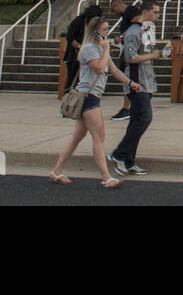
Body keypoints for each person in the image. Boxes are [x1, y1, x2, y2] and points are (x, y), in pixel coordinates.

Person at [50, 16, 142, 188]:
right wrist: (106, 49)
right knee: (99, 137)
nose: (108, 33)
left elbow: (113, 70)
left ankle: (57, 170)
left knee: (77, 137)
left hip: (92, 96)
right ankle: (106, 177)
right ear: (96, 32)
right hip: (88, 97)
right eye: (105, 30)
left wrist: (130, 83)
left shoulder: (99, 48)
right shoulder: (89, 49)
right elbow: (99, 68)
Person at [109, 0, 163, 177]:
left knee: (136, 121)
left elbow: (147, 53)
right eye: (155, 13)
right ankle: (120, 154)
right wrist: (153, 55)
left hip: (146, 80)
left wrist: (160, 53)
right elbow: (131, 57)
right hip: (136, 81)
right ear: (145, 12)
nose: (158, 16)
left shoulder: (146, 30)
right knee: (144, 118)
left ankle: (128, 159)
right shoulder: (133, 32)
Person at [109, 0, 142, 121]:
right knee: (128, 77)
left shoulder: (131, 10)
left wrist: (123, 36)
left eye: (113, 10)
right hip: (129, 47)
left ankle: (127, 108)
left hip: (131, 49)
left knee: (127, 77)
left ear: (117, 6)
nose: (114, 13)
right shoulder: (127, 14)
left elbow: (139, 21)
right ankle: (131, 107)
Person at [63, 4, 102, 95]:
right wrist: (80, 47)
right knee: (72, 75)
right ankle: (69, 93)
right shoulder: (78, 22)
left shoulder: (95, 26)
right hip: (75, 53)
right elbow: (70, 37)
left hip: (88, 52)